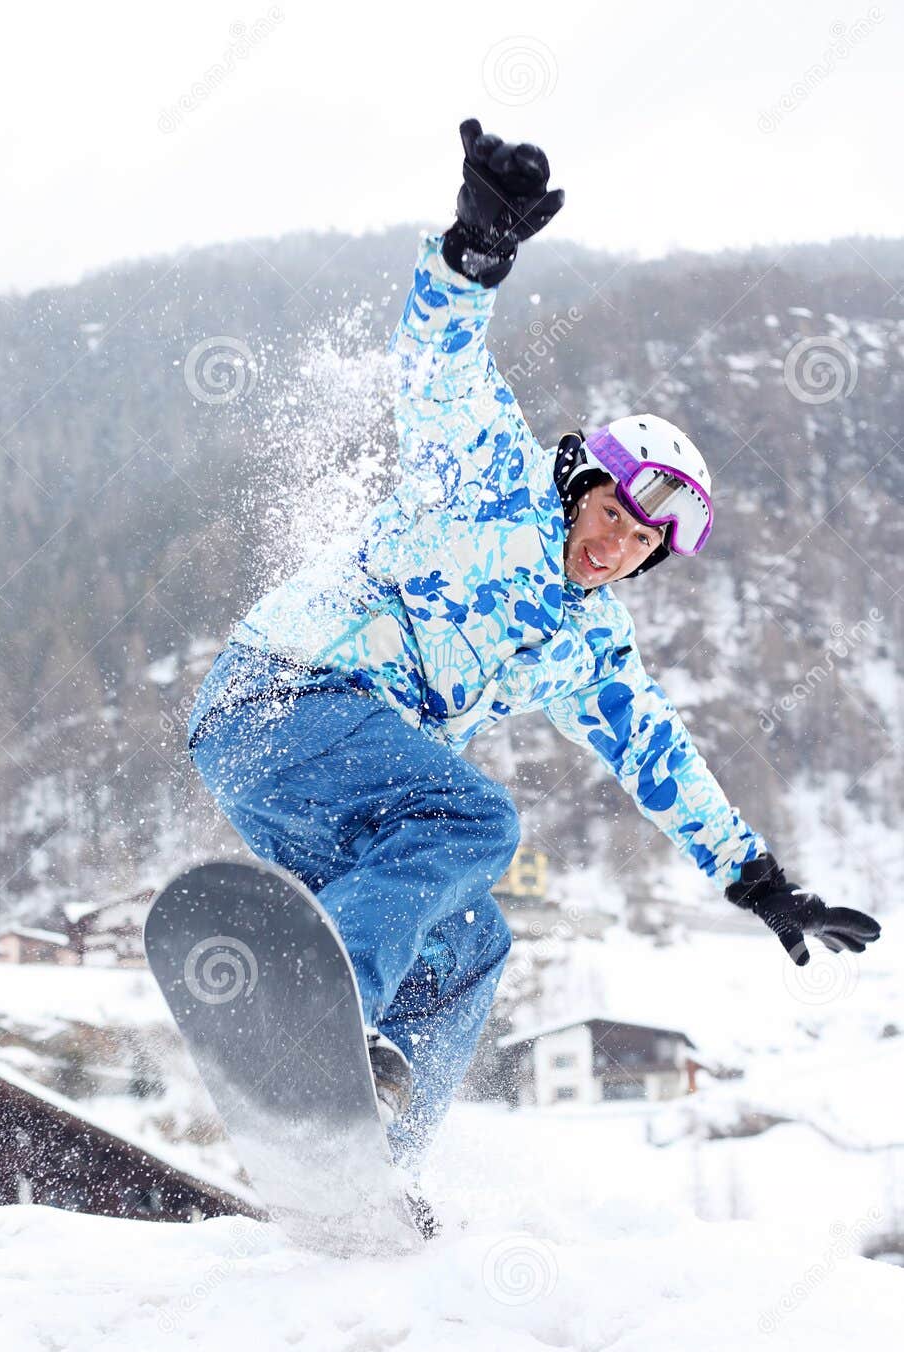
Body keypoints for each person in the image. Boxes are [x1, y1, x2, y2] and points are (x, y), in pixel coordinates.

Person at [186, 119, 880, 1226]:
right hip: (278, 698)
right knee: (473, 820)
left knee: (472, 940)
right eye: (610, 516)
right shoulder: (490, 473)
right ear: (578, 485)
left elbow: (660, 760)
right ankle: (327, 1026)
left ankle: (363, 1164)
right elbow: (438, 360)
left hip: (321, 784)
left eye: (639, 545)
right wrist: (475, 250)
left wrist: (760, 883)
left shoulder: (588, 646)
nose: (614, 548)